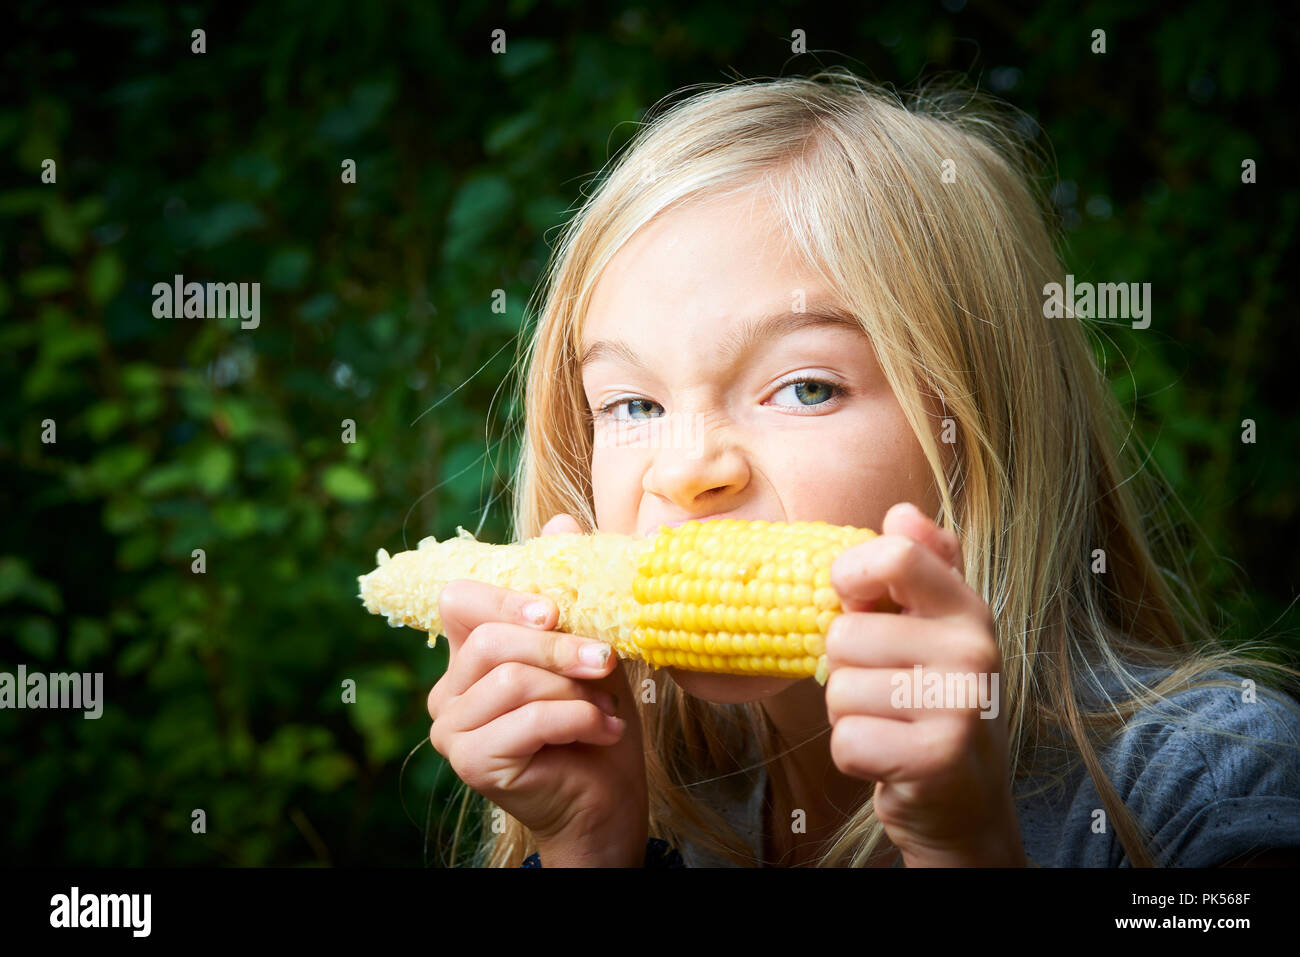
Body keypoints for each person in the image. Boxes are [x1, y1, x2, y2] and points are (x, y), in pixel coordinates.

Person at [424, 69, 1300, 867]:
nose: (685, 469)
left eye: (804, 386)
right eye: (633, 405)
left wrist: (967, 849)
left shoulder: (1217, 779)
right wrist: (585, 849)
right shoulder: (657, 815)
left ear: (972, 432)